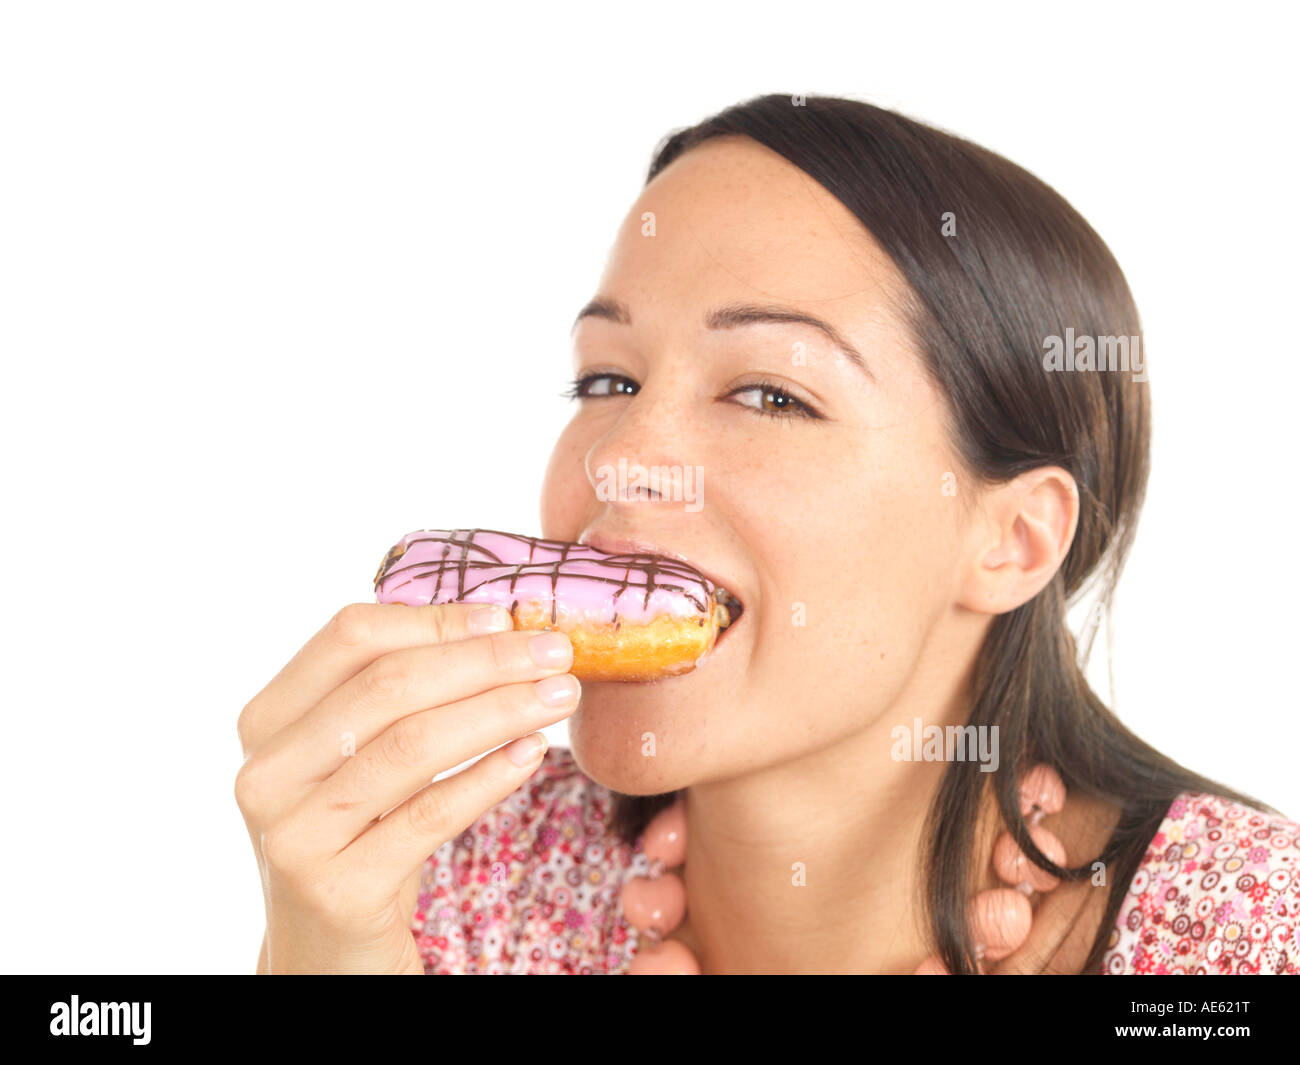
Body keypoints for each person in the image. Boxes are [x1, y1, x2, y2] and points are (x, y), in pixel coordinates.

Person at [235, 94, 1299, 975]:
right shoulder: (457, 873)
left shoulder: (1244, 937)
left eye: (770, 395)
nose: (618, 460)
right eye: (606, 378)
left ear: (1012, 541)